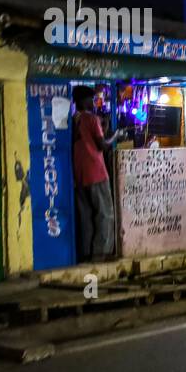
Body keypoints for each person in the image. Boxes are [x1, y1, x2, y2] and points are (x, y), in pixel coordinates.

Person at [71, 86, 127, 262]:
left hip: (79, 174)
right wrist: (117, 135)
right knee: (105, 213)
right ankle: (100, 252)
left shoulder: (74, 119)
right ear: (82, 101)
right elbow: (102, 145)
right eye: (91, 99)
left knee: (86, 215)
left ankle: (86, 252)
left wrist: (102, 128)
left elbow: (87, 138)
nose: (93, 102)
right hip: (96, 172)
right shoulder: (91, 118)